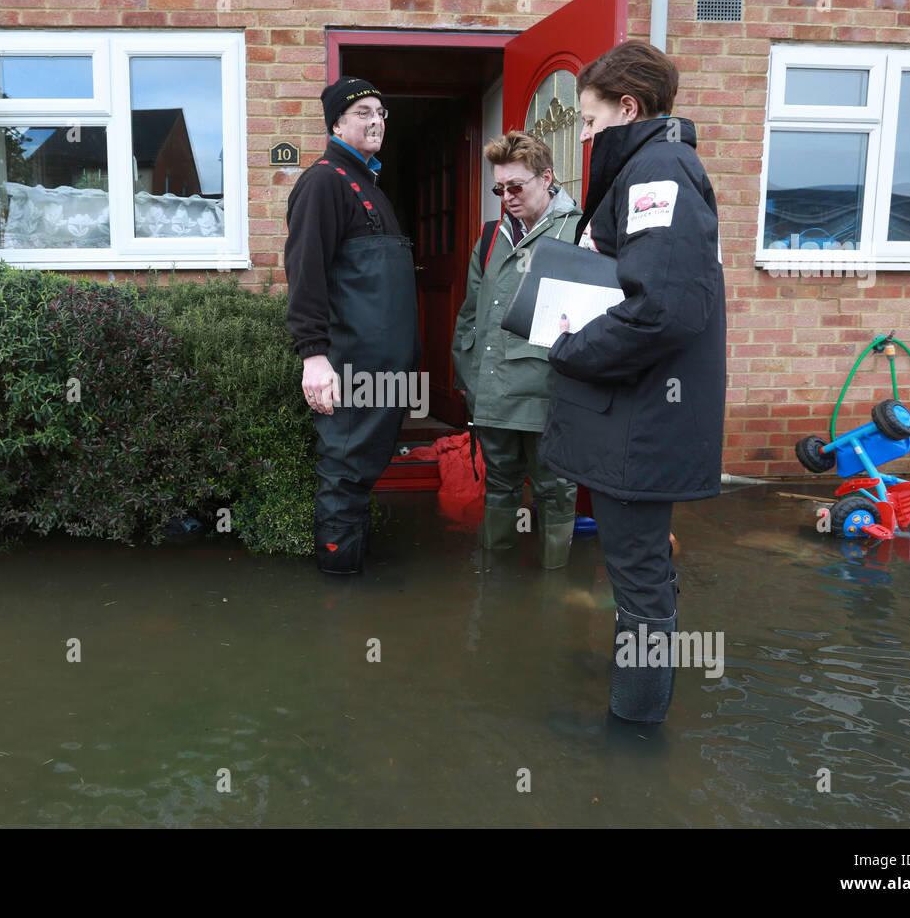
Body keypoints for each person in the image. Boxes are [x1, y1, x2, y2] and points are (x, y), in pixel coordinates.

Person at [540, 41, 727, 723]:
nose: (584, 139)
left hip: (641, 423)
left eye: (588, 124)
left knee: (642, 589)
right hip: (632, 419)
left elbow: (663, 310)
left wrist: (569, 348)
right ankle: (633, 713)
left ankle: (633, 741)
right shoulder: (648, 169)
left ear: (628, 107)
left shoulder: (660, 171)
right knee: (641, 577)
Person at [284, 76, 420, 574]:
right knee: (344, 471)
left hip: (384, 367)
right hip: (348, 363)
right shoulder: (324, 181)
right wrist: (313, 356)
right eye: (362, 111)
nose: (375, 120)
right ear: (336, 123)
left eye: (381, 112)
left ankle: (354, 569)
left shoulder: (367, 184)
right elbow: (305, 271)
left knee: (362, 470)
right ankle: (338, 588)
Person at [450, 131, 580, 568]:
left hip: (550, 393)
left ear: (547, 178)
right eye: (499, 189)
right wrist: (467, 378)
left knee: (555, 487)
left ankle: (553, 587)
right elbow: (469, 315)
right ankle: (495, 582)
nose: (507, 196)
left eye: (516, 187)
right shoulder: (490, 237)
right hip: (492, 389)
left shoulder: (578, 231)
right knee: (499, 484)